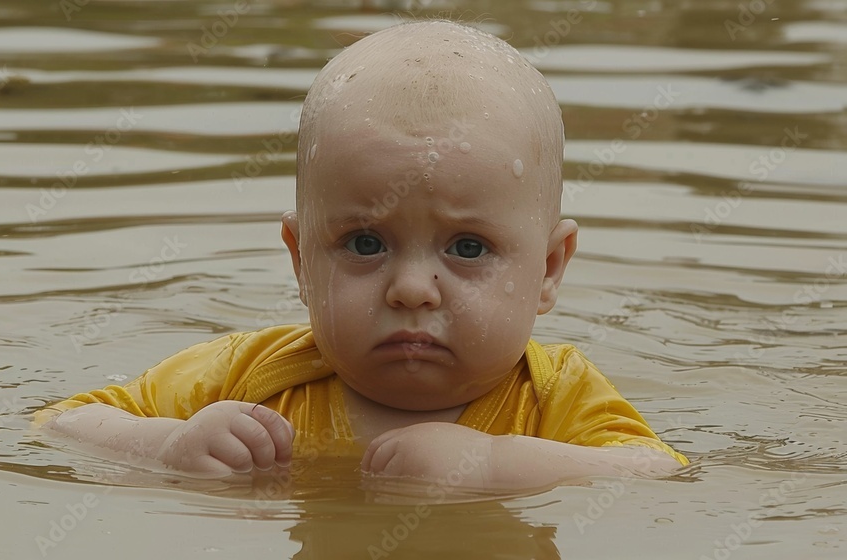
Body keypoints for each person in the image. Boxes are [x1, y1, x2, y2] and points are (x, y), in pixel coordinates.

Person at [35, 19, 688, 492]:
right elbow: (62, 423)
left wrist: (493, 465)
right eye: (365, 243)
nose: (411, 289)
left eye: (468, 248)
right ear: (299, 261)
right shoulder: (254, 375)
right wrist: (170, 445)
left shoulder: (554, 397)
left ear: (548, 269)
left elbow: (656, 474)